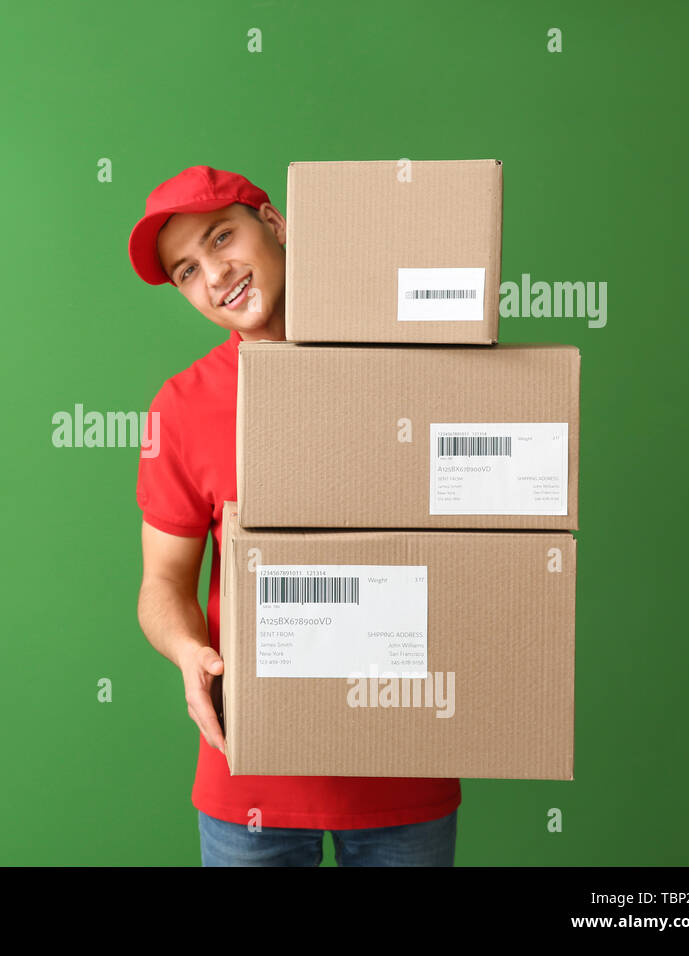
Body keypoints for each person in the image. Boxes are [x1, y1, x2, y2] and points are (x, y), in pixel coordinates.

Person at [129, 165, 460, 867]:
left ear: (275, 225)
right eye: (187, 271)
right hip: (247, 774)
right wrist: (187, 652)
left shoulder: (407, 360)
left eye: (223, 238)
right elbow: (162, 582)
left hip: (403, 766)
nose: (215, 276)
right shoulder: (181, 407)